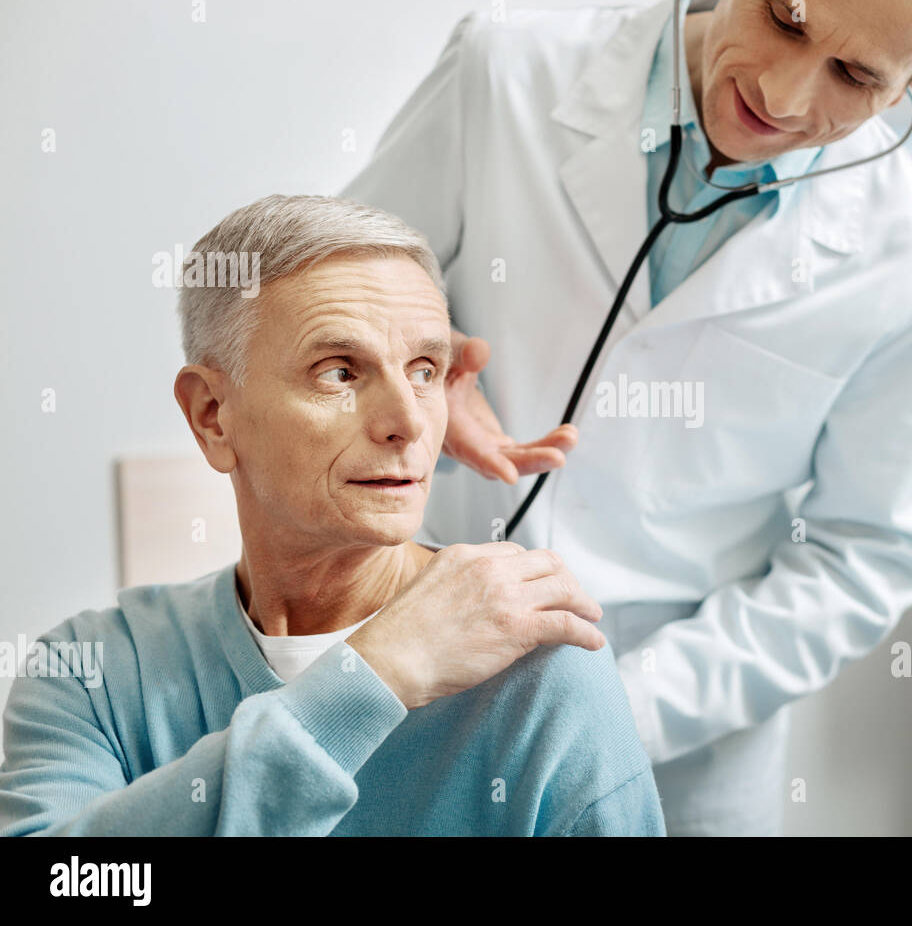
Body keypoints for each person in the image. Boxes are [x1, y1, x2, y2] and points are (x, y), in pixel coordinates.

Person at [342, 0, 912, 835]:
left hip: (683, 744)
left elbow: (866, 554)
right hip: (425, 664)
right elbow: (334, 286)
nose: (782, 92)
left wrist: (621, 708)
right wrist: (419, 372)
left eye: (856, 76)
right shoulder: (505, 68)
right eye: (784, 18)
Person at [0, 195, 666, 837]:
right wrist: (373, 675)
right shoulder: (93, 673)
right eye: (340, 372)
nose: (407, 422)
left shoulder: (541, 671)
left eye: (425, 370)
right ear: (213, 416)